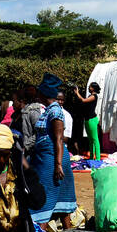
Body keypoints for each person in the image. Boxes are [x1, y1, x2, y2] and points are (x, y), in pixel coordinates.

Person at [30, 75, 77, 224]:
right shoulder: (48, 110)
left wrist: (58, 165)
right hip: (46, 157)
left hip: (52, 159)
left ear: (44, 93)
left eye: (39, 92)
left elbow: (58, 139)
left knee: (45, 193)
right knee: (56, 193)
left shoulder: (55, 111)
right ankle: (65, 230)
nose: (37, 95)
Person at [72, 82, 101, 161]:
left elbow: (83, 100)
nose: (89, 88)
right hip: (88, 120)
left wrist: (77, 93)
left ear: (93, 88)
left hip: (92, 120)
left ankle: (97, 158)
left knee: (95, 139)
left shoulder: (94, 96)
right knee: (90, 140)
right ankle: (91, 157)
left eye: (90, 87)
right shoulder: (90, 96)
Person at [14, 86, 45, 157]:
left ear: (21, 101)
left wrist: (25, 146)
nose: (12, 104)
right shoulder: (18, 114)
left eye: (14, 101)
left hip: (31, 154)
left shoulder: (33, 112)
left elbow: (38, 133)